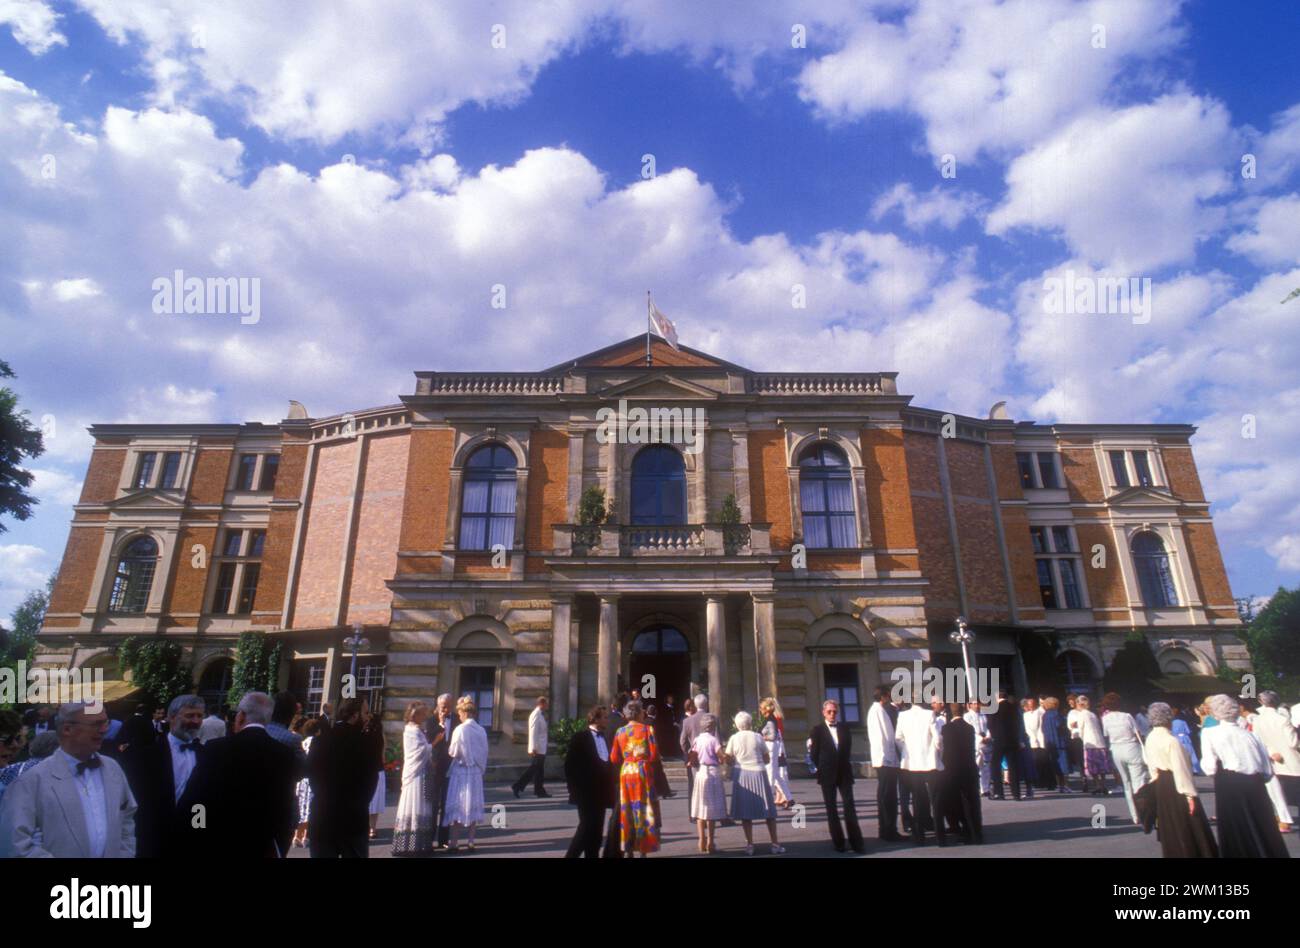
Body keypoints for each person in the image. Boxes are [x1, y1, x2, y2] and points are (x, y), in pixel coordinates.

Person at [0, 702, 137, 857]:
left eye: (105, 722)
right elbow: (15, 844)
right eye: (96, 724)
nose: (105, 730)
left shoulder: (113, 769)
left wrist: (125, 854)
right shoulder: (31, 781)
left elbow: (127, 817)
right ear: (67, 729)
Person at [191, 691, 298, 859]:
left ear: (240, 716)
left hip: (218, 842)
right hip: (260, 845)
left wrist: (198, 830)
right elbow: (285, 808)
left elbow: (197, 799)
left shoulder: (215, 748)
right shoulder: (285, 754)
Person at [1199, 694, 1288, 858]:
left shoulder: (1210, 733)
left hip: (1230, 783)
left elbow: (1209, 768)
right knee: (1263, 826)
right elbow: (1267, 770)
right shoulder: (1252, 735)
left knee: (1237, 830)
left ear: (1215, 713)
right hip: (1255, 783)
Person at [125, 693, 209, 858]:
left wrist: (200, 832)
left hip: (189, 842)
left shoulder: (205, 755)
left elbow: (204, 802)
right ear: (171, 717)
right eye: (189, 715)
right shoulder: (147, 754)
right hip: (153, 840)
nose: (196, 721)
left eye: (199, 716)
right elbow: (136, 800)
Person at [307, 697, 385, 858]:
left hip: (323, 814)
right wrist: (360, 803)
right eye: (365, 712)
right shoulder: (367, 742)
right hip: (353, 818)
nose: (367, 717)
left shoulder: (321, 738)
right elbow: (372, 778)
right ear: (355, 715)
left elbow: (311, 772)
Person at [1142, 702, 1218, 858]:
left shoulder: (1150, 737)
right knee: (1188, 823)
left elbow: (1150, 764)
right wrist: (1190, 795)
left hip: (1160, 782)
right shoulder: (1172, 741)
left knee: (1170, 824)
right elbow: (1181, 769)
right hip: (1175, 783)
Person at [808, 698, 865, 853]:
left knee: (849, 807)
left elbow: (847, 749)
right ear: (824, 713)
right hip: (826, 773)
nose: (832, 714)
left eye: (834, 712)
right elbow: (814, 754)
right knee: (831, 808)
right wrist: (822, 767)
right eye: (829, 712)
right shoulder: (817, 730)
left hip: (844, 772)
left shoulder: (845, 728)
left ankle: (857, 842)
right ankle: (839, 843)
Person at [722, 711, 783, 855]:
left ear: (737, 725)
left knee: (745, 813)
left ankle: (750, 844)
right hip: (758, 772)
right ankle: (775, 843)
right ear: (750, 723)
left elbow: (729, 759)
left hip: (741, 773)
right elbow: (766, 757)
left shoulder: (734, 738)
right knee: (768, 811)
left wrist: (728, 758)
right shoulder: (757, 737)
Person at [609, 699, 659, 856]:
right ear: (638, 713)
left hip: (626, 772)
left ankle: (628, 848)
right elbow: (654, 755)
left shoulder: (620, 732)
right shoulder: (647, 730)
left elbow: (614, 758)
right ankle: (643, 849)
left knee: (627, 809)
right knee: (643, 809)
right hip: (643, 772)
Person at [564, 705, 614, 858]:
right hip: (585, 793)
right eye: (605, 717)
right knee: (585, 828)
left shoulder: (605, 738)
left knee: (597, 832)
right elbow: (570, 766)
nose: (607, 720)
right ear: (596, 718)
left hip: (602, 793)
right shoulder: (580, 737)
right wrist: (575, 790)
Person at [896, 695, 946, 846]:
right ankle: (940, 837)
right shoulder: (929, 714)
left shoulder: (902, 716)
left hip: (912, 763)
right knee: (936, 800)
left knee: (917, 800)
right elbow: (937, 739)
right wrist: (939, 753)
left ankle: (919, 836)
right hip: (930, 762)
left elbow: (898, 738)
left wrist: (906, 752)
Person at [444, 695, 488, 851]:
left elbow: (454, 751)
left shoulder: (460, 729)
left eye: (460, 714)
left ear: (463, 713)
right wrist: (480, 767)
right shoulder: (481, 730)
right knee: (473, 804)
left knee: (458, 804)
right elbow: (484, 752)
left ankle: (454, 841)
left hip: (461, 771)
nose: (460, 717)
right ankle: (471, 840)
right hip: (475, 772)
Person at [393, 701, 435, 856]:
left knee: (421, 803)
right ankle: (410, 844)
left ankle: (419, 843)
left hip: (422, 771)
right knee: (415, 802)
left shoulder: (417, 729)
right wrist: (434, 743)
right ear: (415, 714)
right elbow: (418, 751)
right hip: (416, 772)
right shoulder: (412, 730)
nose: (424, 717)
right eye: (422, 714)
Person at [1100, 692, 1148, 824]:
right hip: (1131, 747)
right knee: (1138, 781)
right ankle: (1144, 811)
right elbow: (1137, 732)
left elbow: (1106, 734)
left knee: (1126, 783)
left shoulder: (1105, 718)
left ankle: (1135, 815)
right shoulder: (1127, 716)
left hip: (1116, 749)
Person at [1253, 690, 1300, 819]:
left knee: (1277, 793)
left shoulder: (1257, 721)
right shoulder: (1282, 720)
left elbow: (1259, 742)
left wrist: (1271, 752)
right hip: (1291, 761)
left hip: (1272, 761)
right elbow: (1292, 743)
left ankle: (1283, 819)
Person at [940, 703, 983, 844]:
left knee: (956, 802)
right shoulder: (969, 728)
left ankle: (963, 830)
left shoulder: (946, 729)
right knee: (972, 802)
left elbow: (943, 750)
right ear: (963, 711)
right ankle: (976, 832)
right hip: (969, 768)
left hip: (952, 770)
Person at [867, 686, 903, 840]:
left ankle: (887, 829)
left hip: (885, 759)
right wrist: (888, 759)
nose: (889, 698)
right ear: (883, 696)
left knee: (886, 795)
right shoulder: (877, 711)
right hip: (885, 759)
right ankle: (889, 830)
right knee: (888, 797)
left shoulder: (878, 710)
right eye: (888, 695)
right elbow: (883, 738)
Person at [689, 713, 726, 853]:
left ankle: (701, 839)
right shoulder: (713, 740)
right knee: (711, 810)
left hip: (701, 772)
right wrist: (726, 757)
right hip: (713, 773)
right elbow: (721, 757)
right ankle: (710, 841)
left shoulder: (697, 740)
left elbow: (692, 756)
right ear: (713, 726)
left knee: (700, 808)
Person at [426, 693, 455, 849]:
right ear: (438, 706)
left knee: (446, 803)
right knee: (433, 803)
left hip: (451, 766)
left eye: (449, 706)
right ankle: (429, 839)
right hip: (435, 766)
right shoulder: (431, 721)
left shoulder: (456, 719)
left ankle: (444, 839)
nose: (446, 709)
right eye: (444, 706)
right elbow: (429, 741)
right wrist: (441, 724)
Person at [989, 691, 1025, 800]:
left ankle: (999, 792)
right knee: (1013, 766)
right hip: (1012, 740)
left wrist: (994, 735)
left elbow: (990, 724)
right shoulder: (1013, 707)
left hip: (999, 740)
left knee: (995, 765)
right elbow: (1019, 724)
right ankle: (1016, 793)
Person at [512, 696, 550, 798]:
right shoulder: (535, 715)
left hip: (541, 747)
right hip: (537, 748)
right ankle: (518, 786)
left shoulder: (540, 715)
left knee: (539, 770)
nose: (547, 706)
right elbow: (533, 732)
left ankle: (539, 790)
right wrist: (533, 747)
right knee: (533, 768)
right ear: (541, 703)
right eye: (546, 703)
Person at [759, 697, 793, 809]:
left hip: (771, 748)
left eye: (761, 708)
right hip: (773, 747)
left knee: (770, 774)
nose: (760, 710)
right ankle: (789, 797)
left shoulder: (770, 720)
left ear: (766, 709)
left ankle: (766, 801)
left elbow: (772, 736)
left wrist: (761, 737)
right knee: (777, 775)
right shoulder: (771, 719)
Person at [678, 693, 710, 808]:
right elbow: (718, 739)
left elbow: (682, 741)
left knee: (694, 785)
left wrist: (688, 753)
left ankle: (694, 813)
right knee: (712, 786)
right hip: (710, 758)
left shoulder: (688, 721)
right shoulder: (713, 718)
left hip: (695, 757)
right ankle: (714, 813)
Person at [293, 718, 321, 848]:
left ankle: (296, 835)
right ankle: (306, 836)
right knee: (310, 807)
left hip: (302, 779)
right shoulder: (318, 744)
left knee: (300, 806)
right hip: (313, 779)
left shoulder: (302, 743)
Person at [1075, 695, 1110, 796]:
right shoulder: (1092, 714)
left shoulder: (1081, 715)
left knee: (1093, 765)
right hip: (1100, 741)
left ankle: (1098, 785)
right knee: (1102, 766)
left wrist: (1082, 738)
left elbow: (1081, 729)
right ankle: (1103, 785)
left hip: (1090, 742)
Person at [963, 699, 994, 799]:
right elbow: (970, 730)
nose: (977, 706)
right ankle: (976, 788)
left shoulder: (983, 715)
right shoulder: (967, 716)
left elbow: (988, 728)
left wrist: (988, 737)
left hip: (986, 744)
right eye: (974, 704)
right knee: (976, 766)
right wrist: (981, 739)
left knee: (986, 767)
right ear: (970, 705)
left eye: (978, 703)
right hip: (976, 743)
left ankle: (985, 789)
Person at [1040, 697, 1071, 792]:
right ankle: (1065, 785)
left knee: (1055, 765)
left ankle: (1059, 786)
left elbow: (1043, 729)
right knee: (1063, 765)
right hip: (1059, 742)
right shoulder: (1057, 714)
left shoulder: (1044, 715)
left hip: (1050, 743)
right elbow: (1060, 726)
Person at [1169, 706, 1202, 775]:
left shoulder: (1171, 723)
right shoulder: (1183, 722)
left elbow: (1171, 732)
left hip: (1177, 739)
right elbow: (1188, 731)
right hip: (1185, 739)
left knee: (1180, 756)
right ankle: (1195, 770)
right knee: (1191, 754)